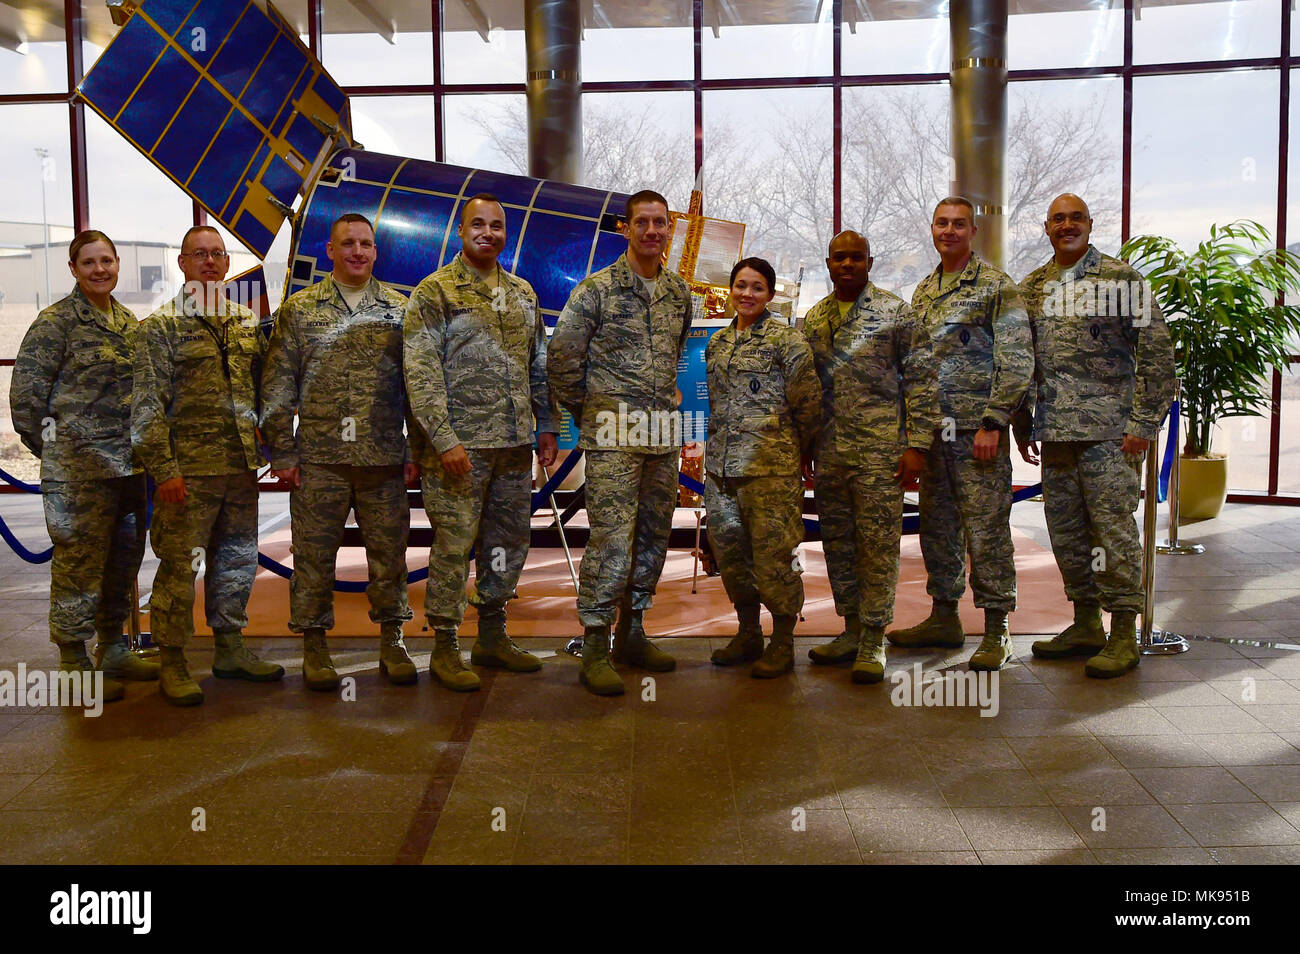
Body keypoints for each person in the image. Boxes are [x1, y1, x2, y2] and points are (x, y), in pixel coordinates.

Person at [1015, 193, 1176, 678]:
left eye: (1075, 218)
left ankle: (1124, 630)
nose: (1067, 225)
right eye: (1058, 219)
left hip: (1111, 434)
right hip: (1058, 435)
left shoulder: (1120, 279)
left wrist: (1143, 424)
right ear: (1047, 228)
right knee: (1066, 533)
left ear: (1090, 223)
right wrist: (1024, 421)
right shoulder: (1034, 286)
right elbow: (1023, 360)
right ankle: (1086, 622)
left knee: (1113, 531)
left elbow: (1156, 352)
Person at [405, 194, 558, 691]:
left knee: (506, 543)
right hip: (459, 452)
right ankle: (445, 645)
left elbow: (539, 362)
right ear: (461, 230)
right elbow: (421, 370)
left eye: (496, 225)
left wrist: (548, 425)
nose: (487, 232)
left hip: (513, 447)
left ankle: (492, 634)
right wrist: (444, 440)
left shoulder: (521, 292)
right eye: (478, 224)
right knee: (454, 546)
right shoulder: (436, 291)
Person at [262, 213, 418, 690]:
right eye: (347, 243)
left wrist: (417, 450)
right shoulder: (301, 309)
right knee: (312, 558)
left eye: (365, 244)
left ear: (375, 251)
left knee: (390, 555)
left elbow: (418, 386)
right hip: (319, 461)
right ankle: (314, 646)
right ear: (329, 251)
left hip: (384, 458)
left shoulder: (400, 309)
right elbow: (278, 383)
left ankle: (393, 640)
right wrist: (283, 454)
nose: (357, 251)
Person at [549, 189, 693, 696]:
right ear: (625, 229)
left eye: (661, 223)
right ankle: (594, 644)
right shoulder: (596, 291)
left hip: (661, 436)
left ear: (669, 229)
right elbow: (563, 359)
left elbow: (673, 355)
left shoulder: (678, 294)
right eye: (643, 223)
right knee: (611, 538)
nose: (652, 232)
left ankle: (633, 631)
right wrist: (590, 412)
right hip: (613, 438)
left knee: (653, 534)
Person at [133, 225, 284, 706]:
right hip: (188, 476)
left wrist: (272, 446)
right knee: (179, 568)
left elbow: (264, 392)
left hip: (239, 469)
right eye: (200, 254)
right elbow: (146, 409)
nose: (211, 262)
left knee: (236, 563)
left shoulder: (243, 321)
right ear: (182, 263)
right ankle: (172, 660)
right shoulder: (162, 327)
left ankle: (230, 649)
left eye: (218, 254)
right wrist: (165, 470)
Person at [10, 230, 160, 702]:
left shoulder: (127, 322)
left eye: (107, 261)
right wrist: (57, 452)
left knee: (122, 562)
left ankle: (112, 647)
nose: (100, 270)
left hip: (128, 470)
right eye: (89, 262)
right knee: (78, 566)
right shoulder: (55, 323)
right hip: (78, 473)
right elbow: (27, 400)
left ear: (117, 266)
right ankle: (74, 660)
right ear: (74, 269)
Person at [888, 197, 1033, 672]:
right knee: (938, 528)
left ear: (973, 230)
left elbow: (1016, 359)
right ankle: (944, 615)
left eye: (958, 224)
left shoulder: (995, 286)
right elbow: (914, 366)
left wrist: (994, 421)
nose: (948, 231)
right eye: (941, 223)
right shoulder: (924, 291)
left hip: (977, 434)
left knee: (986, 531)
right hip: (933, 434)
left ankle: (997, 630)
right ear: (932, 229)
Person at [801, 231, 940, 683]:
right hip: (830, 451)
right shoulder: (815, 317)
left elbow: (922, 379)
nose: (847, 265)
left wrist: (917, 445)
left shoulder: (895, 313)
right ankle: (851, 628)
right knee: (838, 544)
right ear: (827, 262)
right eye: (839, 258)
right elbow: (805, 389)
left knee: (878, 547)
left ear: (870, 261)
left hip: (881, 452)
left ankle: (875, 636)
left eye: (855, 258)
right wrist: (805, 445)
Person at [704, 257, 821, 678]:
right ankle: (748, 631)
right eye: (740, 285)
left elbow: (808, 406)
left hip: (771, 473)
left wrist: (797, 454)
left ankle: (783, 640)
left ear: (770, 294)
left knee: (775, 561)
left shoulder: (787, 343)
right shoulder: (717, 344)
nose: (747, 294)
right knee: (732, 560)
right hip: (721, 473)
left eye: (757, 287)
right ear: (730, 290)